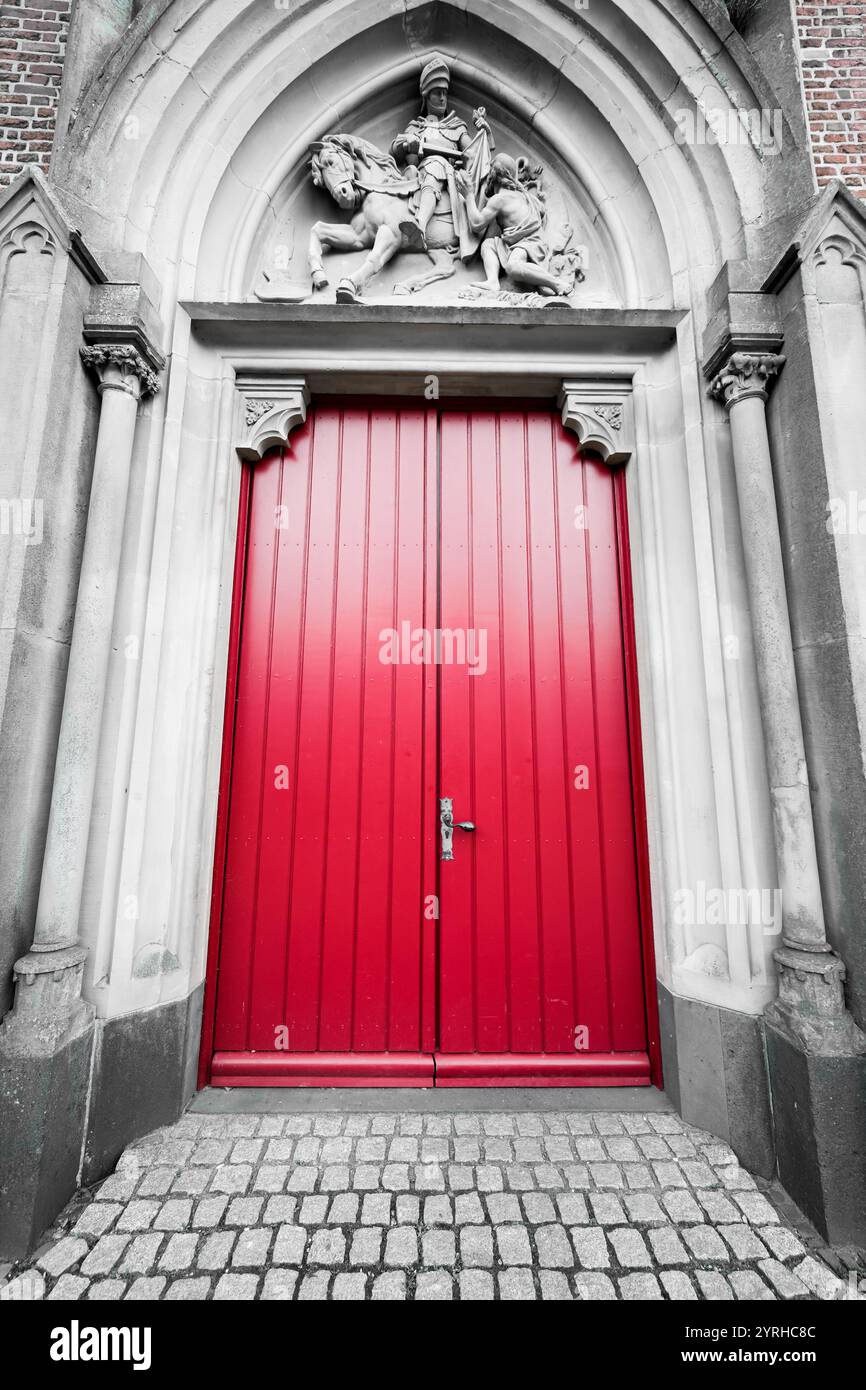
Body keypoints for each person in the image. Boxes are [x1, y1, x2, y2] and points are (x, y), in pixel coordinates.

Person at [391, 53, 492, 256]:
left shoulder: (456, 126)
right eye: (437, 93)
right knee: (427, 165)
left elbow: (471, 152)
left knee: (435, 162)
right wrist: (406, 143)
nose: (443, 97)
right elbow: (393, 150)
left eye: (445, 92)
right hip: (416, 176)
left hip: (448, 176)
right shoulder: (416, 127)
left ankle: (420, 223)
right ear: (426, 96)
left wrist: (484, 131)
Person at [455, 153, 574, 297]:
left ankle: (556, 283)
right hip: (513, 243)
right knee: (489, 244)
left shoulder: (499, 199)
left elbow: (477, 223)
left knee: (514, 266)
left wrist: (468, 194)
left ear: (493, 175)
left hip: (529, 243)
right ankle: (492, 281)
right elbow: (542, 211)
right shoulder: (526, 197)